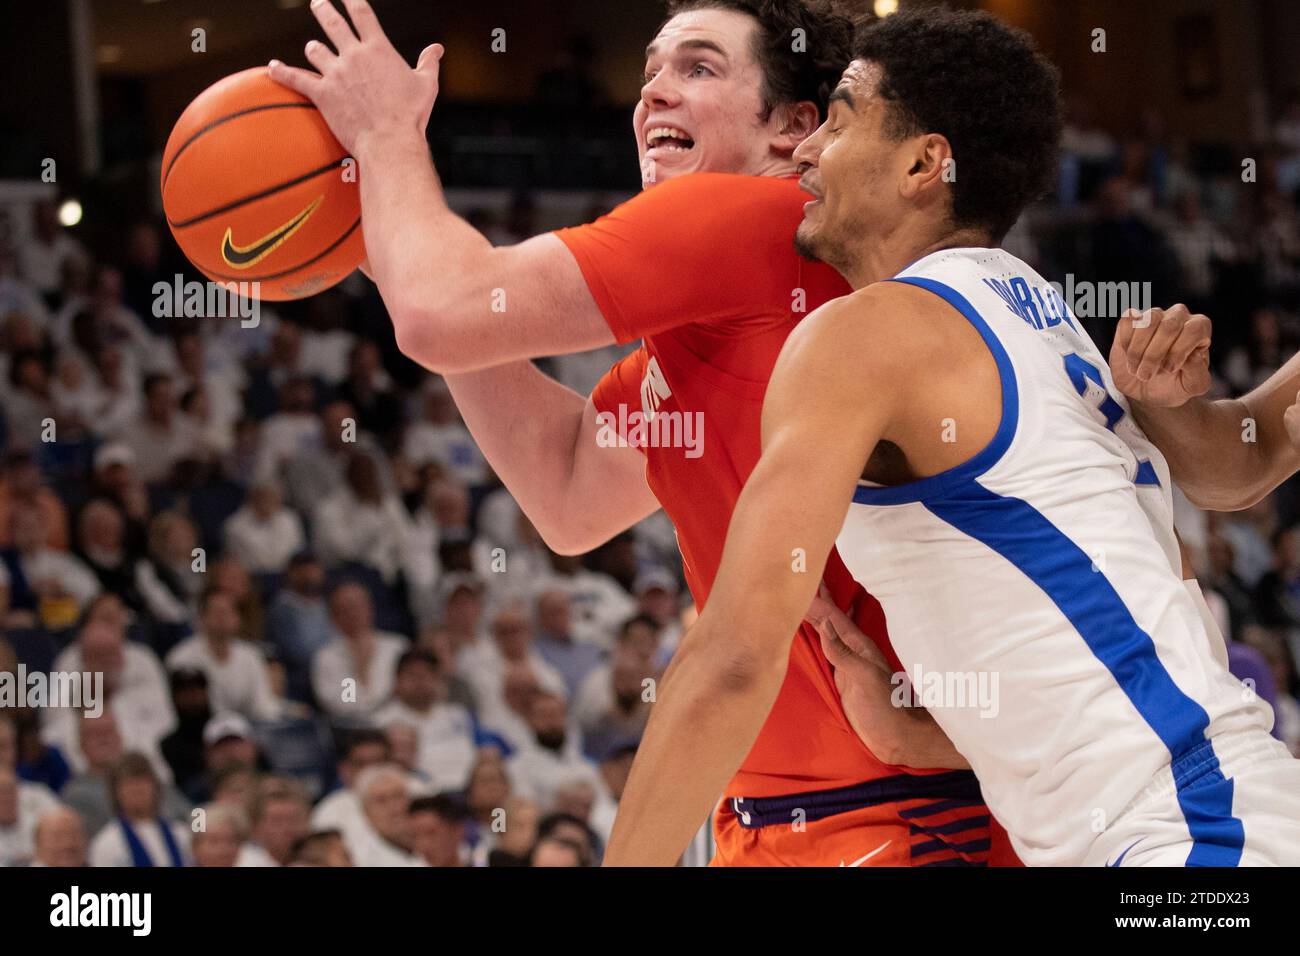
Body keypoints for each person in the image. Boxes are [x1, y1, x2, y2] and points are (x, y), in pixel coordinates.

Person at [270, 0, 1008, 866]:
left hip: (901, 812)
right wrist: (386, 241)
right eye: (651, 69)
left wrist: (389, 140)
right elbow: (570, 492)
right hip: (786, 809)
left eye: (698, 68)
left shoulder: (760, 222)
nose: (654, 90)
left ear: (791, 132)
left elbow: (444, 312)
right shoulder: (720, 327)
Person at [608, 8, 1300, 867]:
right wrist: (919, 738)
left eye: (844, 116)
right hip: (1212, 815)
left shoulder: (870, 332)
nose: (810, 150)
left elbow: (734, 658)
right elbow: (1101, 654)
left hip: (1189, 839)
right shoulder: (1041, 316)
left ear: (924, 163)